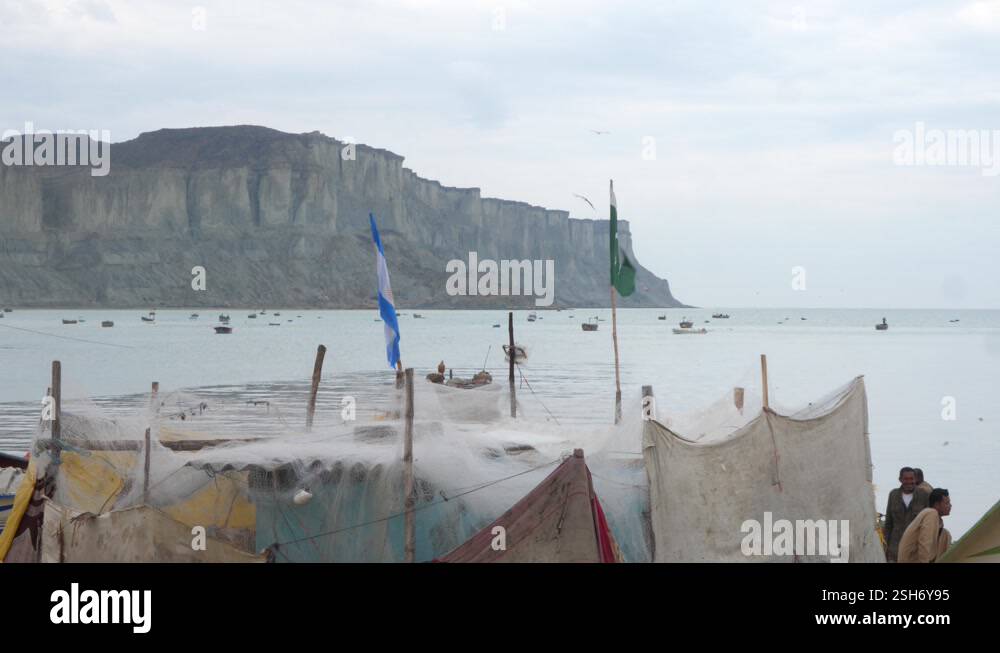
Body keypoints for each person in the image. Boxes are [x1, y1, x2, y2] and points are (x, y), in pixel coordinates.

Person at [883, 467, 929, 562]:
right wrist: (884, 547)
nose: (909, 482)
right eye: (906, 479)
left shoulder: (924, 495)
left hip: (914, 549)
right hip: (895, 548)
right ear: (900, 479)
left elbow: (928, 523)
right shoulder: (893, 495)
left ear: (915, 479)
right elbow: (888, 523)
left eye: (911, 479)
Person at [897, 489, 952, 563]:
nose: (950, 505)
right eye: (947, 503)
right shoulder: (931, 513)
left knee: (946, 534)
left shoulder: (938, 522)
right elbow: (924, 542)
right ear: (937, 504)